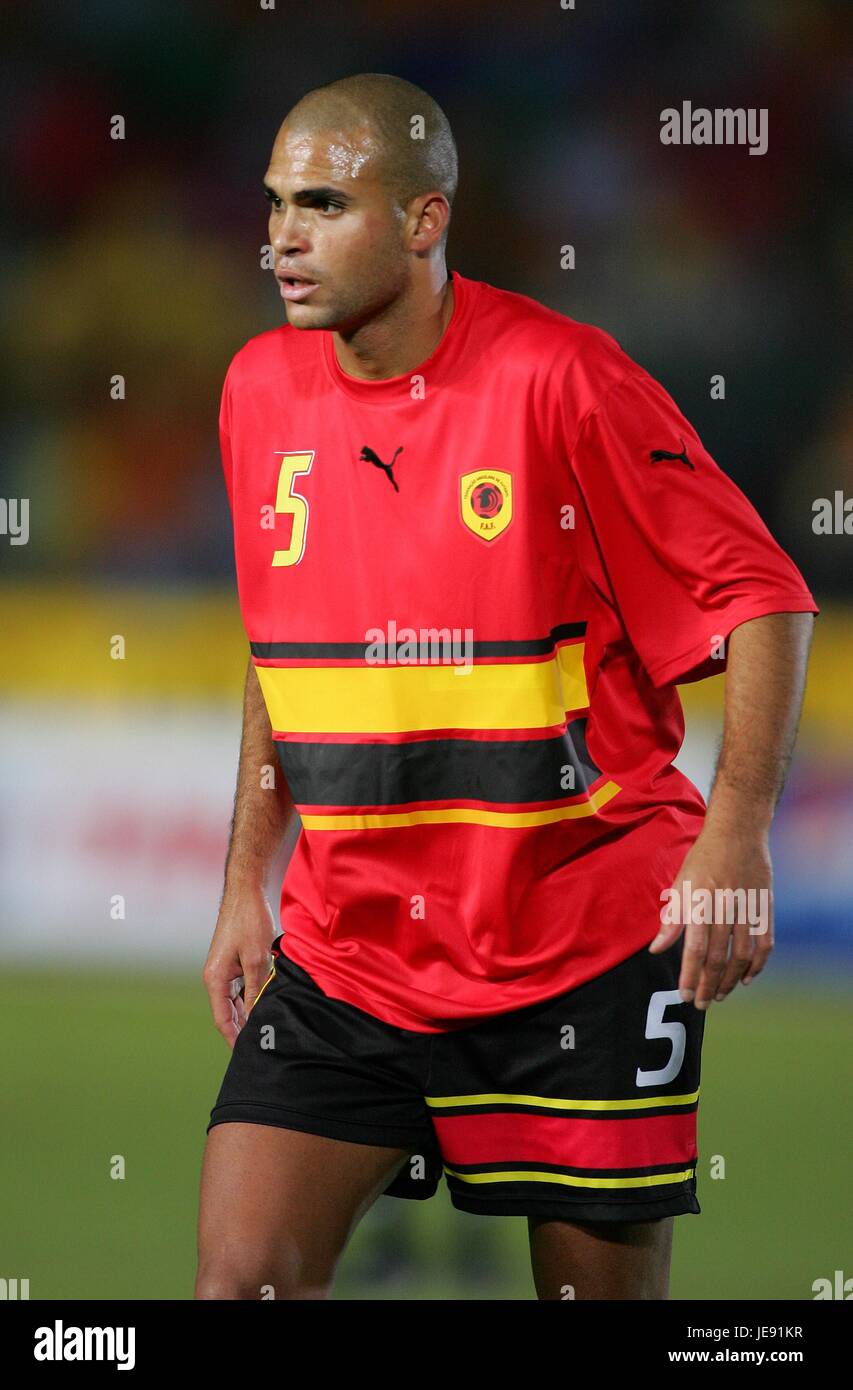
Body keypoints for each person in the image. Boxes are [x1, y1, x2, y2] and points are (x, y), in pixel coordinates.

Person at [195, 73, 816, 1300]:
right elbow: (279, 656)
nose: (281, 236)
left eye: (322, 202)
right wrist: (241, 888)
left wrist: (735, 836)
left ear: (423, 221)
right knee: (238, 1284)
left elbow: (764, 597)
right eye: (273, 203)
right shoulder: (256, 392)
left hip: (577, 955)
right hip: (347, 958)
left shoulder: (560, 380)